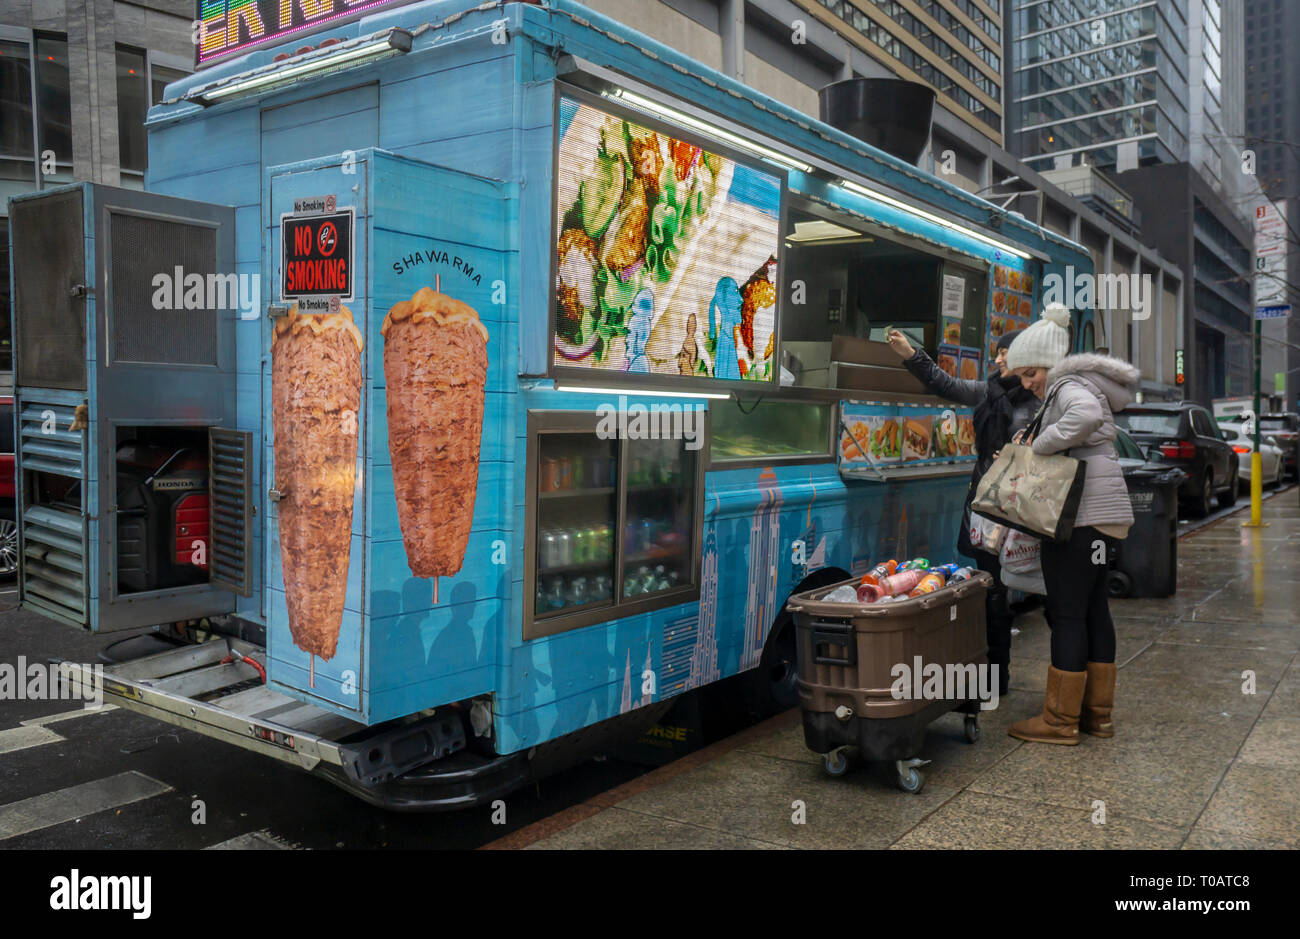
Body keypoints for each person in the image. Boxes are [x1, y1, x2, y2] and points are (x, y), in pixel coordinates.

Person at [1002, 303, 1138, 745]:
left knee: (1066, 612)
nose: (1028, 385)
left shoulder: (1067, 386)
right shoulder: (1080, 384)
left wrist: (1039, 444)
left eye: (1029, 374)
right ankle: (1098, 716)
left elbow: (1085, 418)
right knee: (1094, 608)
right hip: (1102, 517)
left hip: (1079, 517)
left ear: (1047, 364)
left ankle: (1060, 721)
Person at [885, 326, 1037, 696]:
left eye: (1005, 354)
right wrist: (910, 353)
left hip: (1018, 509)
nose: (997, 358)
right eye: (998, 352)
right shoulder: (988, 391)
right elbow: (945, 383)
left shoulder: (1039, 402)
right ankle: (992, 677)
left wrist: (1020, 458)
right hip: (984, 505)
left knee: (1010, 588)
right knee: (989, 590)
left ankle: (999, 677)